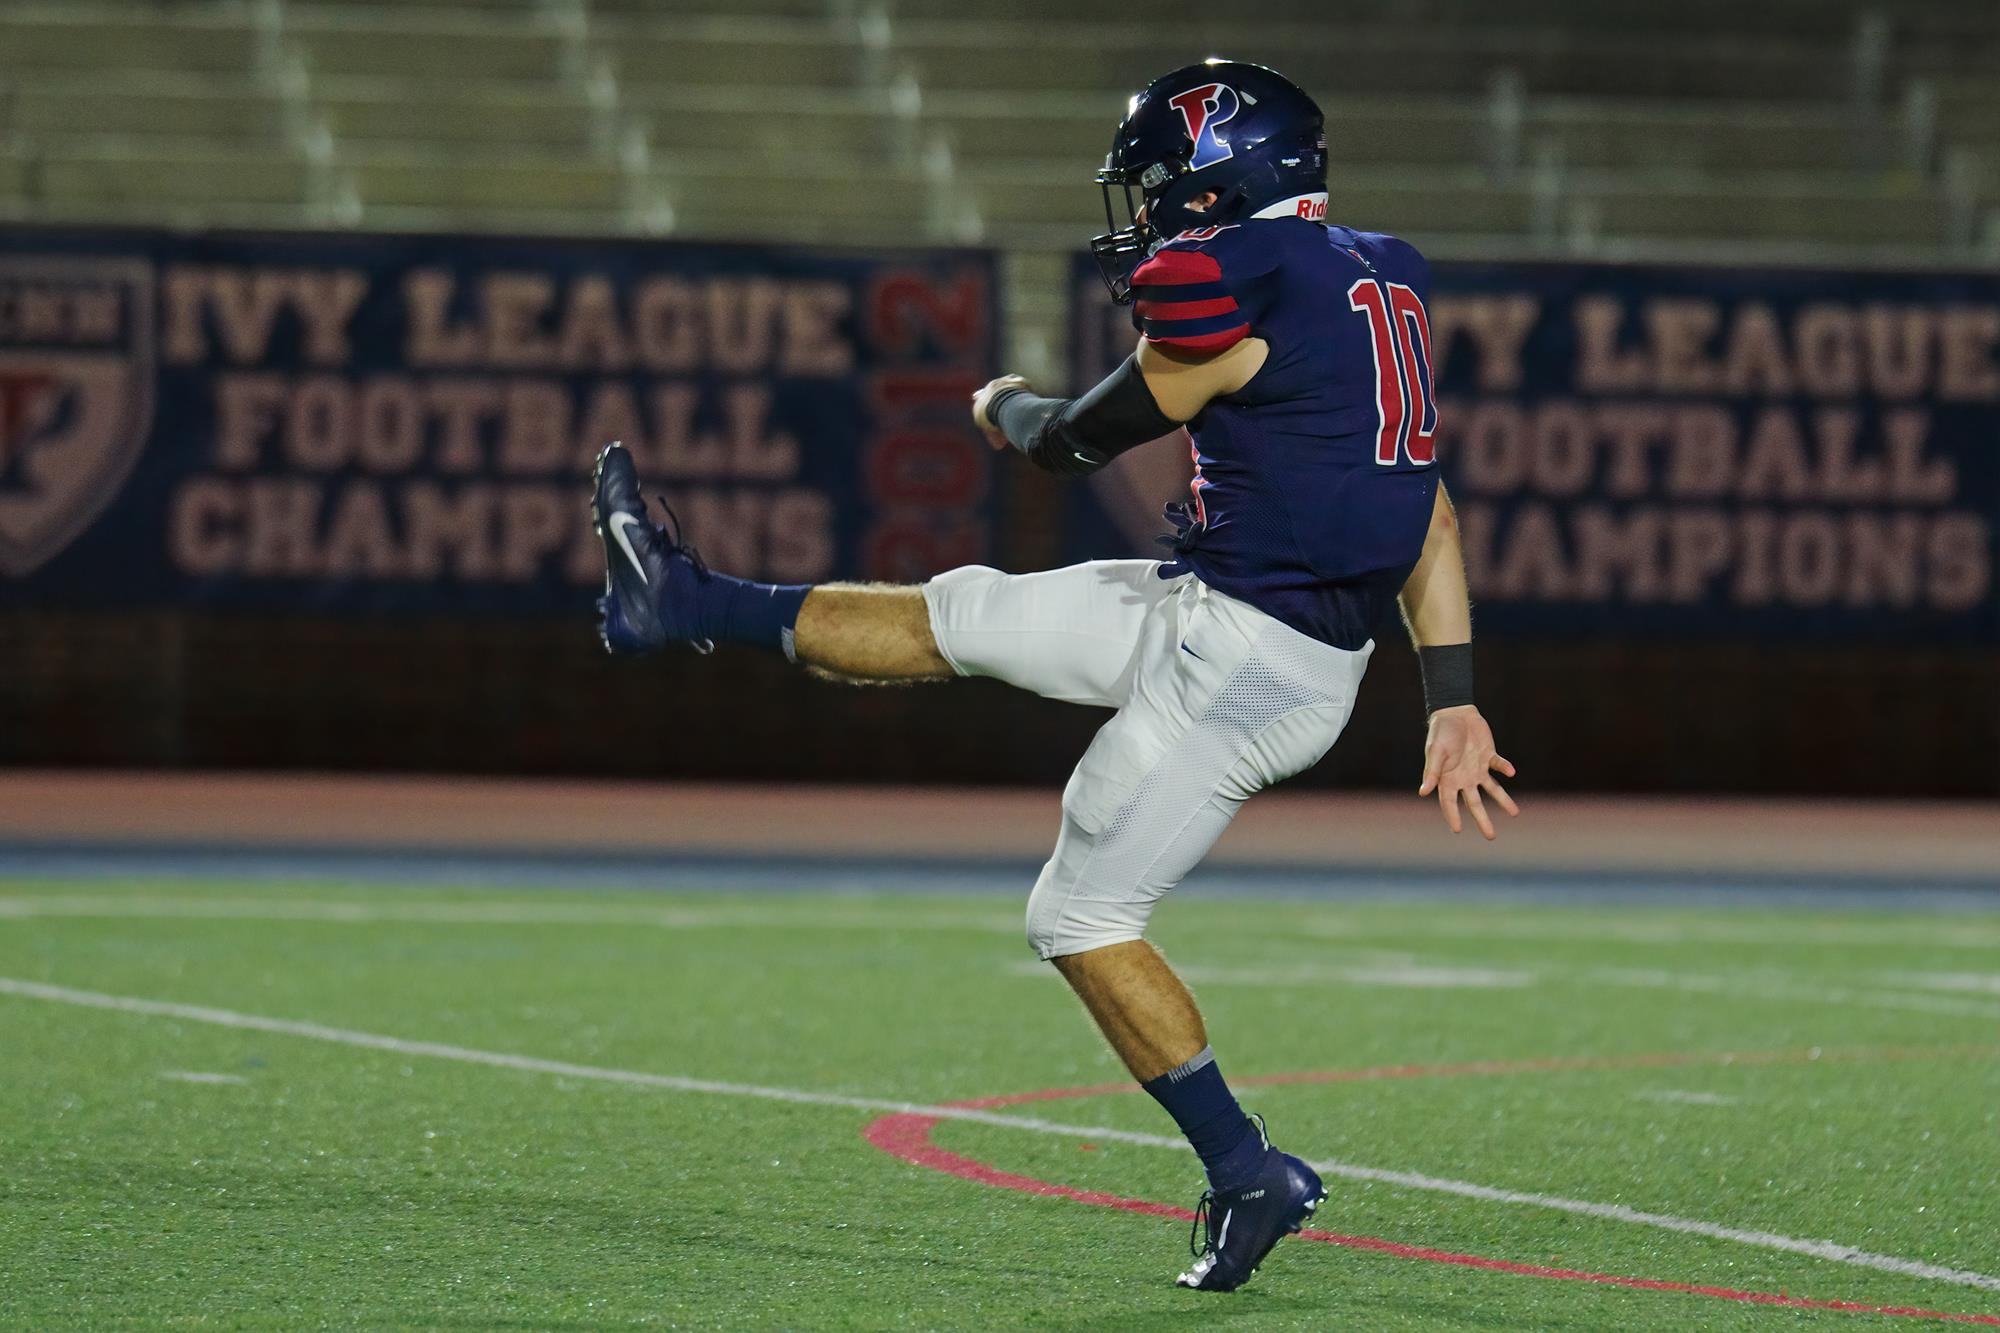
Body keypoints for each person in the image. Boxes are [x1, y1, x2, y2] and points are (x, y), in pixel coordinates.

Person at [590, 59, 1517, 1292]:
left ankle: (1247, 1170)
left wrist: (1004, 405)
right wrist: (1450, 693)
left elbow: (1073, 441)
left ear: (1213, 176)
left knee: (1077, 916)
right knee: (960, 616)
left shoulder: (1233, 283)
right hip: (1218, 609)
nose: (1142, 211)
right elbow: (1429, 516)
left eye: (1156, 183)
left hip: (1249, 661)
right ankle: (679, 602)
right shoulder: (1372, 272)